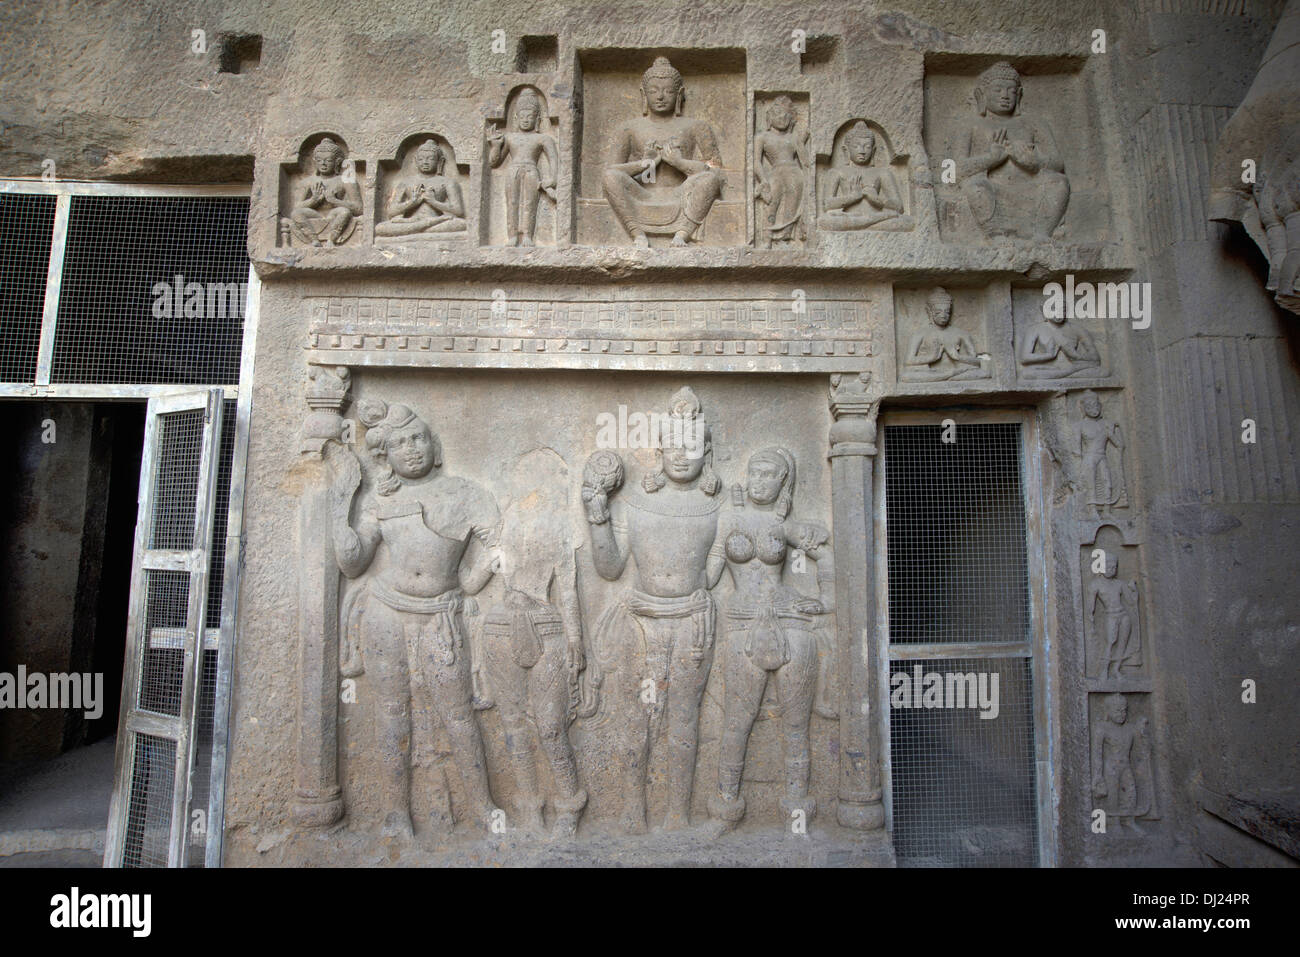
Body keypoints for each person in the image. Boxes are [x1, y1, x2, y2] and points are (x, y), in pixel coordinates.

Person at [328, 398, 501, 836]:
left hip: (440, 615)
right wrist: (340, 503)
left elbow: (500, 546)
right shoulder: (379, 502)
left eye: (419, 438)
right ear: (385, 455)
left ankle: (482, 806)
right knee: (391, 712)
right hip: (386, 612)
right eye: (401, 443)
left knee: (458, 712)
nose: (413, 448)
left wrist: (473, 580)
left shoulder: (466, 494)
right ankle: (395, 814)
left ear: (434, 443)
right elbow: (352, 563)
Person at [601, 57, 726, 247]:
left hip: (682, 195)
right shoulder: (629, 128)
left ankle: (683, 234)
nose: (660, 96)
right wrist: (644, 163)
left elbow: (716, 171)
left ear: (679, 94)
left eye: (668, 91)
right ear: (644, 94)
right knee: (610, 177)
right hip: (642, 195)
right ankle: (637, 234)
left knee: (710, 180)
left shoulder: (696, 126)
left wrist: (679, 162)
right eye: (653, 91)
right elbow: (612, 170)